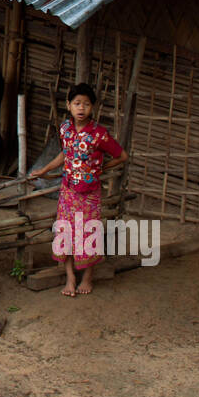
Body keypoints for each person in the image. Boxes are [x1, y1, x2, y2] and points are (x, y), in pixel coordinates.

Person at [30, 83, 128, 297]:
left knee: (88, 232)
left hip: (90, 193)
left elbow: (122, 156)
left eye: (86, 104)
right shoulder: (65, 129)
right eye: (76, 103)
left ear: (92, 107)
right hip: (68, 191)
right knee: (66, 232)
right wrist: (44, 169)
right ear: (69, 105)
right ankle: (70, 277)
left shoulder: (99, 134)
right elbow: (65, 155)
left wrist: (101, 168)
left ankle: (87, 277)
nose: (81, 108)